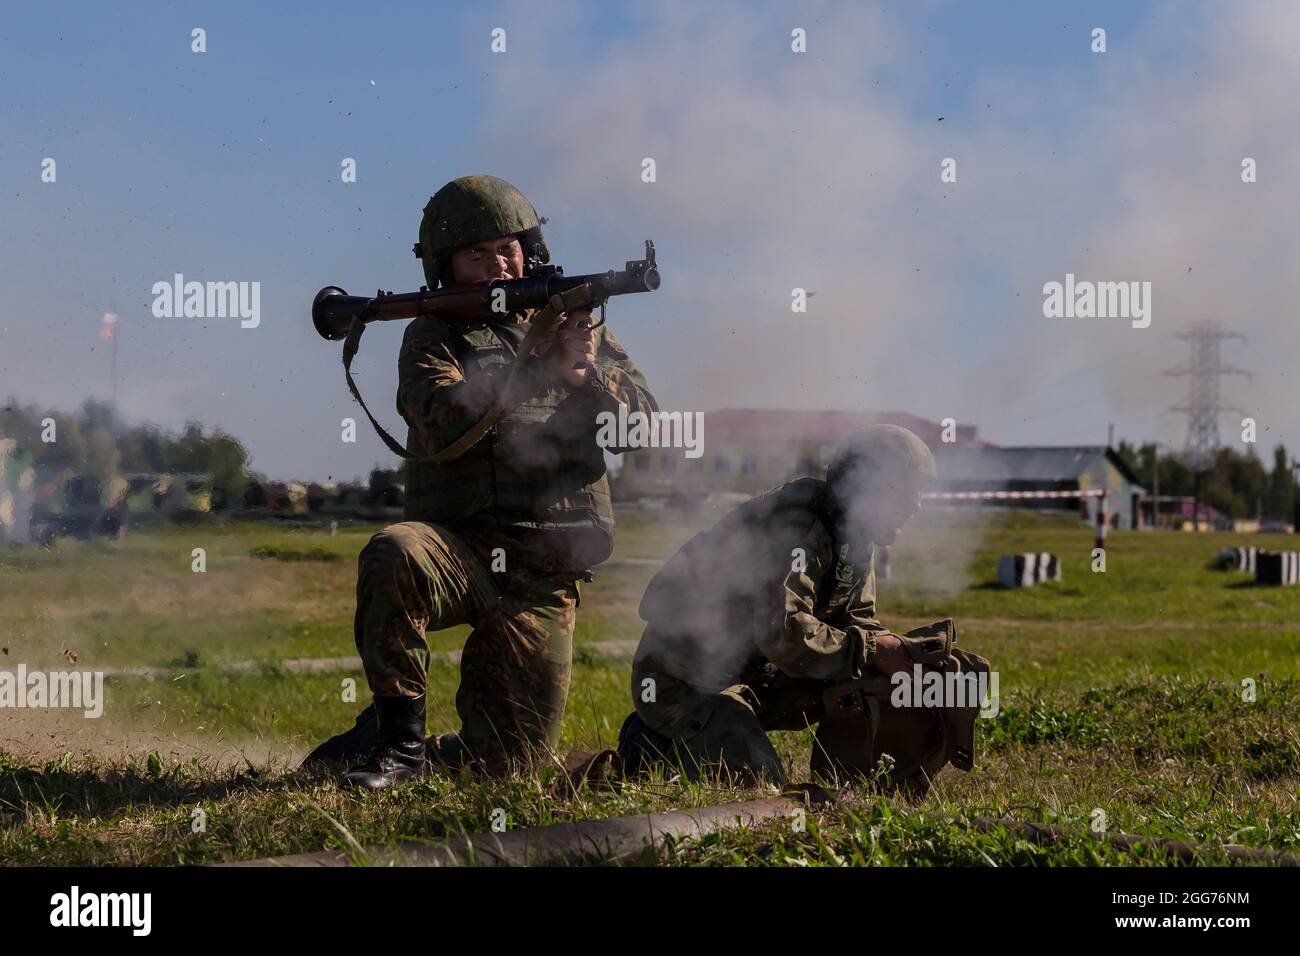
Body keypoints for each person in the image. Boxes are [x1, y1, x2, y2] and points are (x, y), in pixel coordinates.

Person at [307, 174, 658, 789]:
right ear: (447, 266)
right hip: (460, 545)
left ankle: (395, 750)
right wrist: (528, 372)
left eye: (506, 248)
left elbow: (646, 431)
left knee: (507, 769)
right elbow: (436, 417)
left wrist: (585, 379)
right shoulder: (433, 334)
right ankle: (397, 747)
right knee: (395, 552)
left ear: (530, 250)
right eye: (476, 255)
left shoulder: (581, 333)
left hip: (543, 572)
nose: (497, 264)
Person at [616, 424, 988, 791]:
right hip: (681, 681)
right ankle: (650, 745)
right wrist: (872, 649)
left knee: (872, 678)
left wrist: (899, 653)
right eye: (907, 492)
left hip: (752, 672)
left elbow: (855, 621)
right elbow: (782, 632)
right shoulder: (799, 528)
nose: (916, 506)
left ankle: (871, 783)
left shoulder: (854, 537)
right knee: (761, 788)